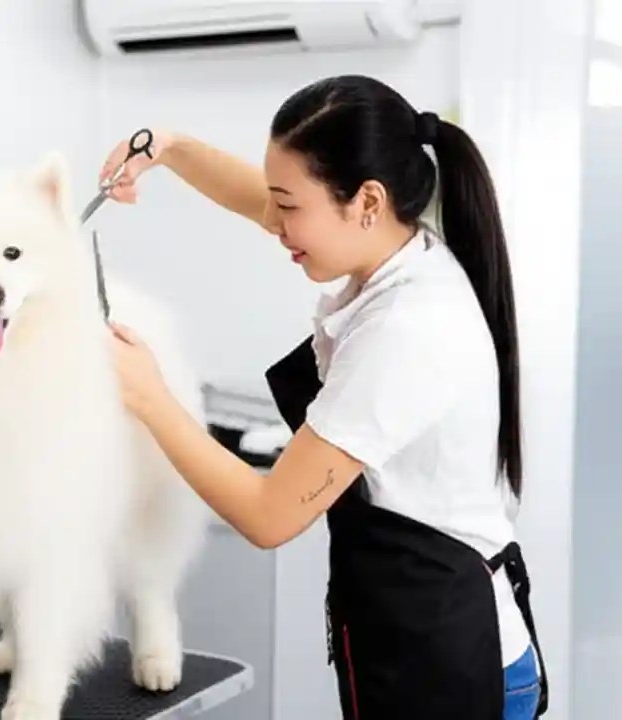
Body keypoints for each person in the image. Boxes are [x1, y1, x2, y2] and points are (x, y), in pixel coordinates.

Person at [100, 75, 548, 720]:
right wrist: (169, 150)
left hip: (453, 665)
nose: (275, 223)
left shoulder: (406, 330)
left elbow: (268, 516)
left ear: (367, 200)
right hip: (415, 632)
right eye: (276, 202)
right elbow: (255, 198)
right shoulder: (399, 253)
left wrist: (151, 397)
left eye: (289, 206)